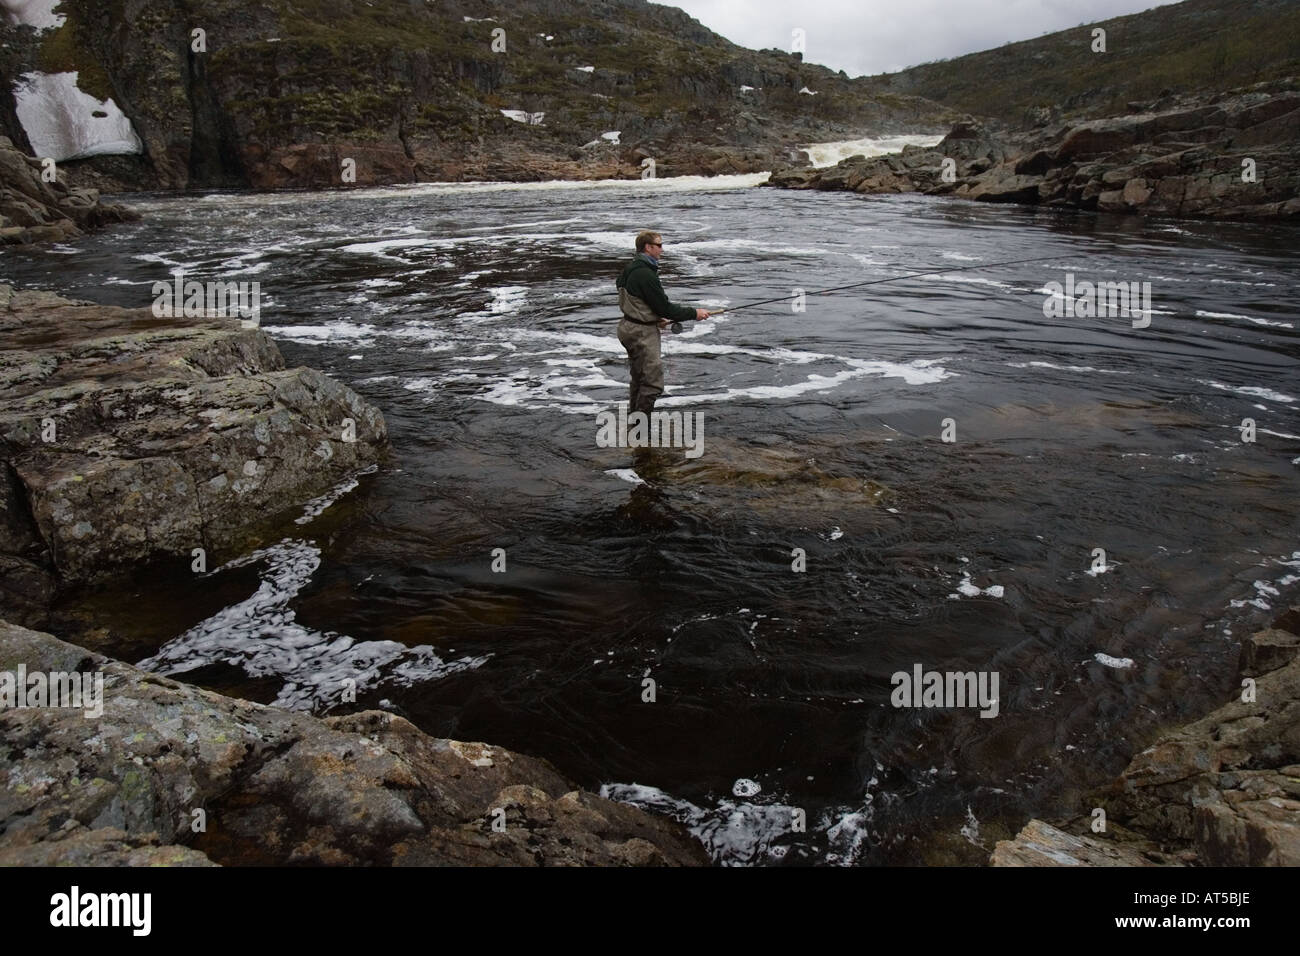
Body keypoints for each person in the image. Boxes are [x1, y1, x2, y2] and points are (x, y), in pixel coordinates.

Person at [615, 230, 710, 419]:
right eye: (659, 245)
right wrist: (695, 313)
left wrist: (653, 317)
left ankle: (635, 424)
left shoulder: (631, 268)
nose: (662, 250)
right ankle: (640, 431)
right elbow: (666, 308)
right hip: (641, 333)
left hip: (628, 326)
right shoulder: (645, 274)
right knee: (652, 383)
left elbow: (627, 291)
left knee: (639, 379)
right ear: (648, 247)